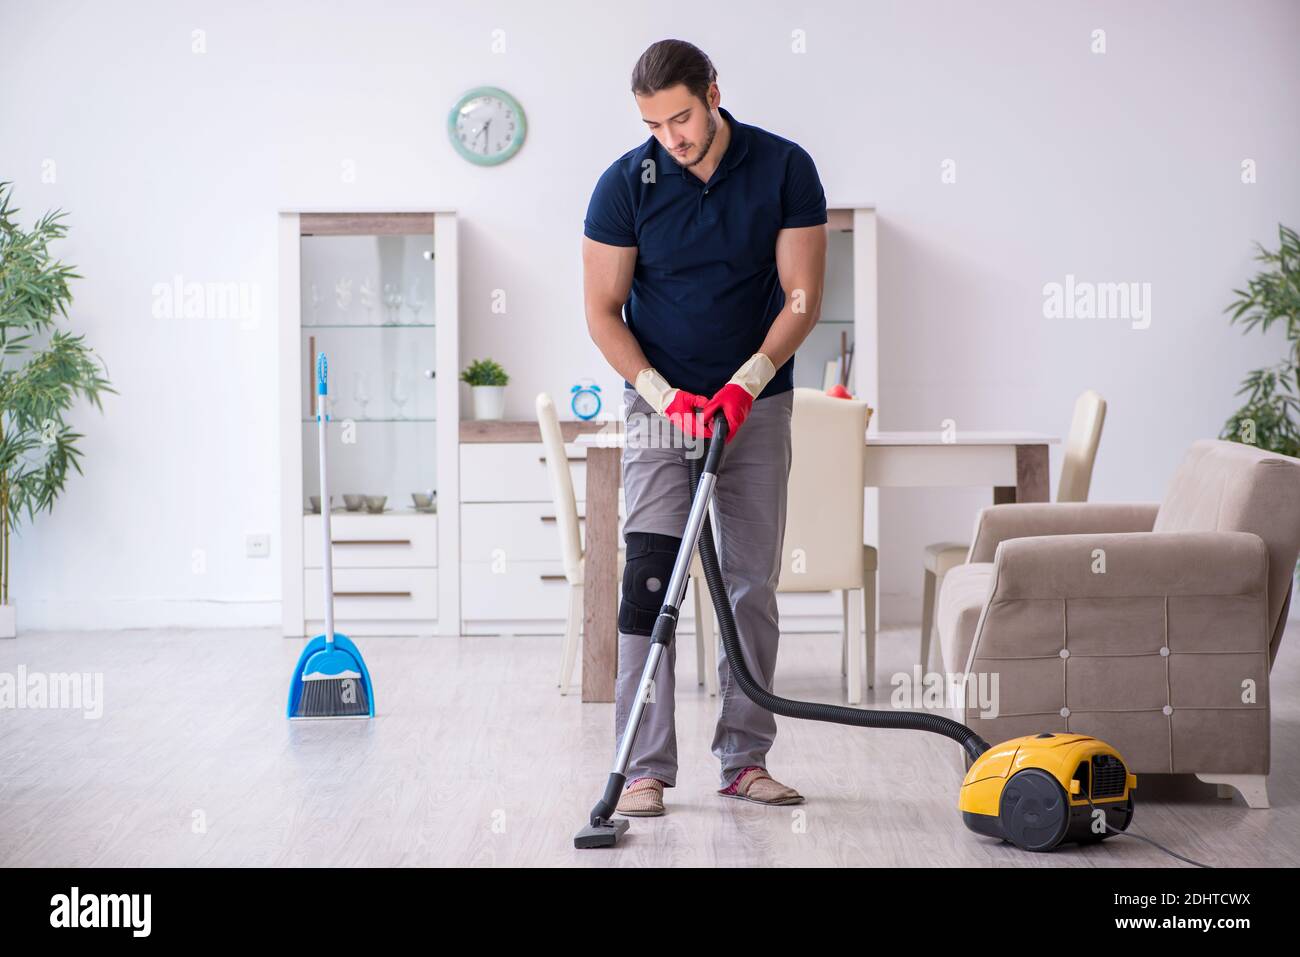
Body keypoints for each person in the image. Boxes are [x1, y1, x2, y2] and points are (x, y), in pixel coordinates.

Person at [582, 38, 828, 816]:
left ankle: (744, 760)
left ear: (713, 94)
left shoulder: (784, 168)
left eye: (681, 118)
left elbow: (801, 296)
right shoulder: (624, 185)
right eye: (654, 126)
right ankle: (643, 767)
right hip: (661, 408)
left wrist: (746, 383)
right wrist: (663, 394)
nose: (671, 138)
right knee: (650, 579)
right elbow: (602, 311)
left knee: (750, 583)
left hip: (757, 401)